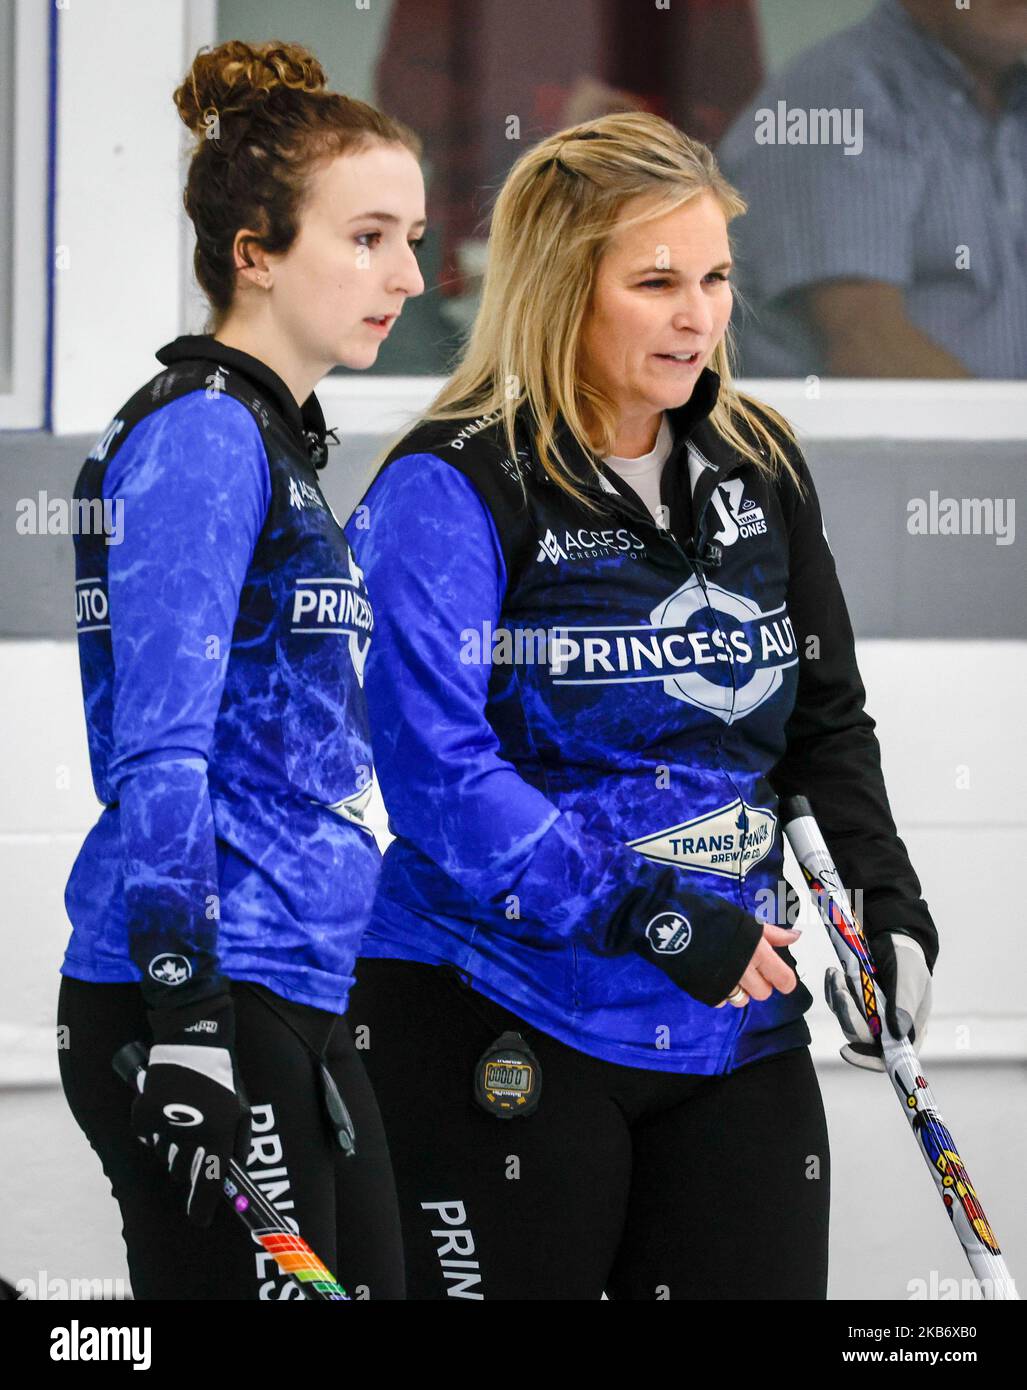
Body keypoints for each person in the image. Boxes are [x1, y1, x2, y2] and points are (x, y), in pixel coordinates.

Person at [344, 111, 938, 1300]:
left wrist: (889, 910)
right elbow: (435, 775)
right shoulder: (451, 482)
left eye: (716, 277)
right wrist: (655, 917)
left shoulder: (756, 460)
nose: (700, 315)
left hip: (732, 1028)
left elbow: (822, 721)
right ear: (564, 287)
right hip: (495, 1012)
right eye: (656, 280)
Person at [57, 39, 425, 1300]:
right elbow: (162, 753)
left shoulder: (275, 437)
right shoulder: (206, 435)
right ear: (254, 250)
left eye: (414, 239)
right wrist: (186, 1017)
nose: (408, 275)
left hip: (297, 982)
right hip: (208, 987)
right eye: (369, 236)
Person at [717, 0, 1027, 378]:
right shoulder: (835, 97)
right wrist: (1006, 433)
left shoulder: (1013, 98)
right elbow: (865, 344)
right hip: (850, 436)